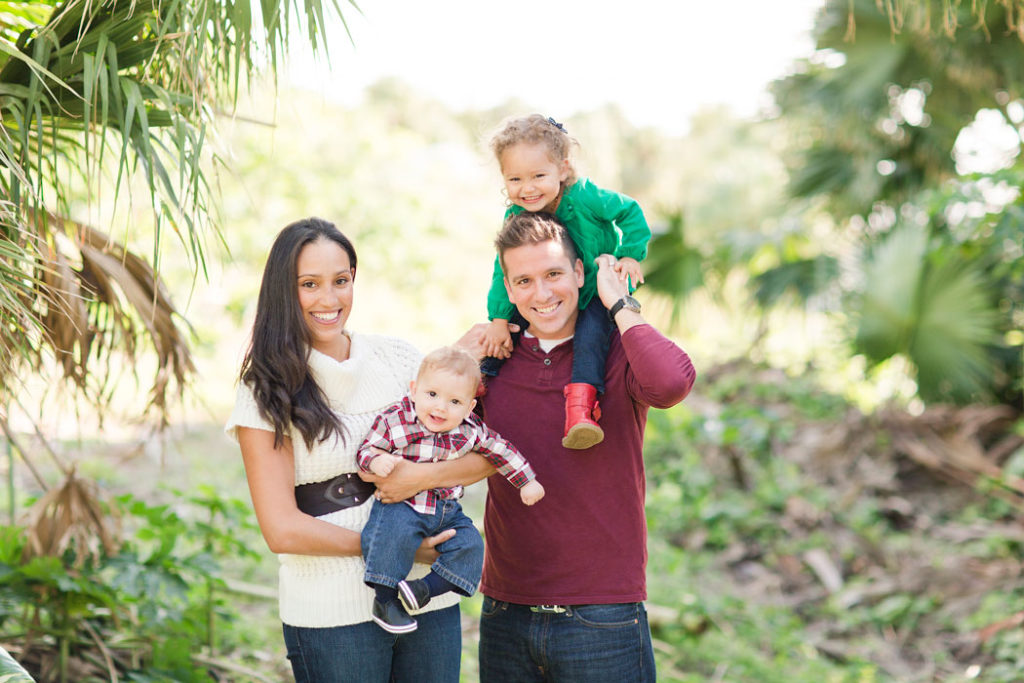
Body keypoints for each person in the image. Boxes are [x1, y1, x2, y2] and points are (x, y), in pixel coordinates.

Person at [225, 217, 492, 683]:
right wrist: (402, 549)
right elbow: (282, 530)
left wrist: (422, 485)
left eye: (341, 281)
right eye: (309, 284)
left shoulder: (400, 359)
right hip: (332, 612)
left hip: (427, 599)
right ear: (283, 291)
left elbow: (484, 453)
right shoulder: (265, 388)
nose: (329, 300)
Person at [465, 211, 694, 681]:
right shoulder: (493, 362)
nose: (542, 294)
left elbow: (671, 383)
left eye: (553, 274)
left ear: (579, 273)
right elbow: (435, 433)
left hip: (603, 613)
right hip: (506, 610)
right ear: (507, 289)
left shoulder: (618, 353)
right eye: (524, 281)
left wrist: (618, 303)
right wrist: (463, 351)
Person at [480, 114, 652, 450]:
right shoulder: (516, 215)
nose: (527, 189)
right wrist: (498, 319)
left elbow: (629, 211)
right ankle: (480, 385)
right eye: (515, 179)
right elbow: (504, 271)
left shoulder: (587, 197)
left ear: (563, 168)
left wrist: (630, 254)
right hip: (546, 291)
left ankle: (581, 410)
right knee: (507, 329)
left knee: (590, 338)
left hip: (592, 292)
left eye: (538, 176)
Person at [357, 346, 545, 634]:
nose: (440, 408)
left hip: (446, 511)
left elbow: (501, 450)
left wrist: (527, 480)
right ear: (414, 390)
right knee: (389, 535)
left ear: (469, 407)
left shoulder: (469, 430)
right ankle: (385, 601)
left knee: (471, 546)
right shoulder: (396, 421)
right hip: (403, 505)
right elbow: (366, 450)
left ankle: (422, 589)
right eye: (432, 395)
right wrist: (377, 460)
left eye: (454, 401)